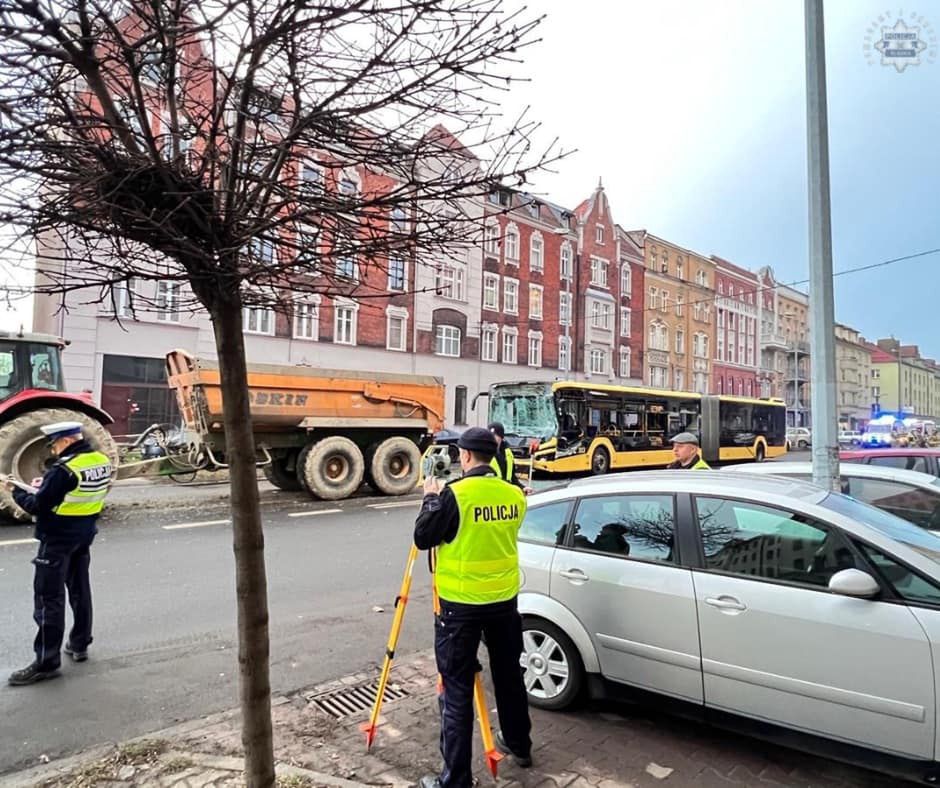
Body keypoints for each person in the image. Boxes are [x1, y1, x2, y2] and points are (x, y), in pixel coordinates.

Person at [414, 427, 532, 788]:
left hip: (461, 608)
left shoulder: (455, 495)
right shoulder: (515, 495)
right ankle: (519, 745)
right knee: (510, 676)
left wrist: (431, 498)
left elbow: (423, 537)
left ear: (464, 457)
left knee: (457, 689)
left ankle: (456, 780)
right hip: (504, 603)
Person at [5, 421, 113, 686]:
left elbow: (36, 506)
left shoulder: (63, 470)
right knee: (79, 590)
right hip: (83, 535)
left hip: (56, 540)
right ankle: (79, 643)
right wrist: (46, 485)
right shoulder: (100, 459)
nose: (52, 450)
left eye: (53, 444)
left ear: (64, 441)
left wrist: (15, 490)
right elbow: (77, 492)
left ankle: (46, 661)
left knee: (48, 600)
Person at [487, 422, 534, 495]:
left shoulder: (508, 453)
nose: (492, 438)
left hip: (506, 495)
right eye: (489, 436)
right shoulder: (484, 453)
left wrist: (522, 488)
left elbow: (512, 478)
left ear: (501, 437)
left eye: (495, 436)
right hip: (491, 494)